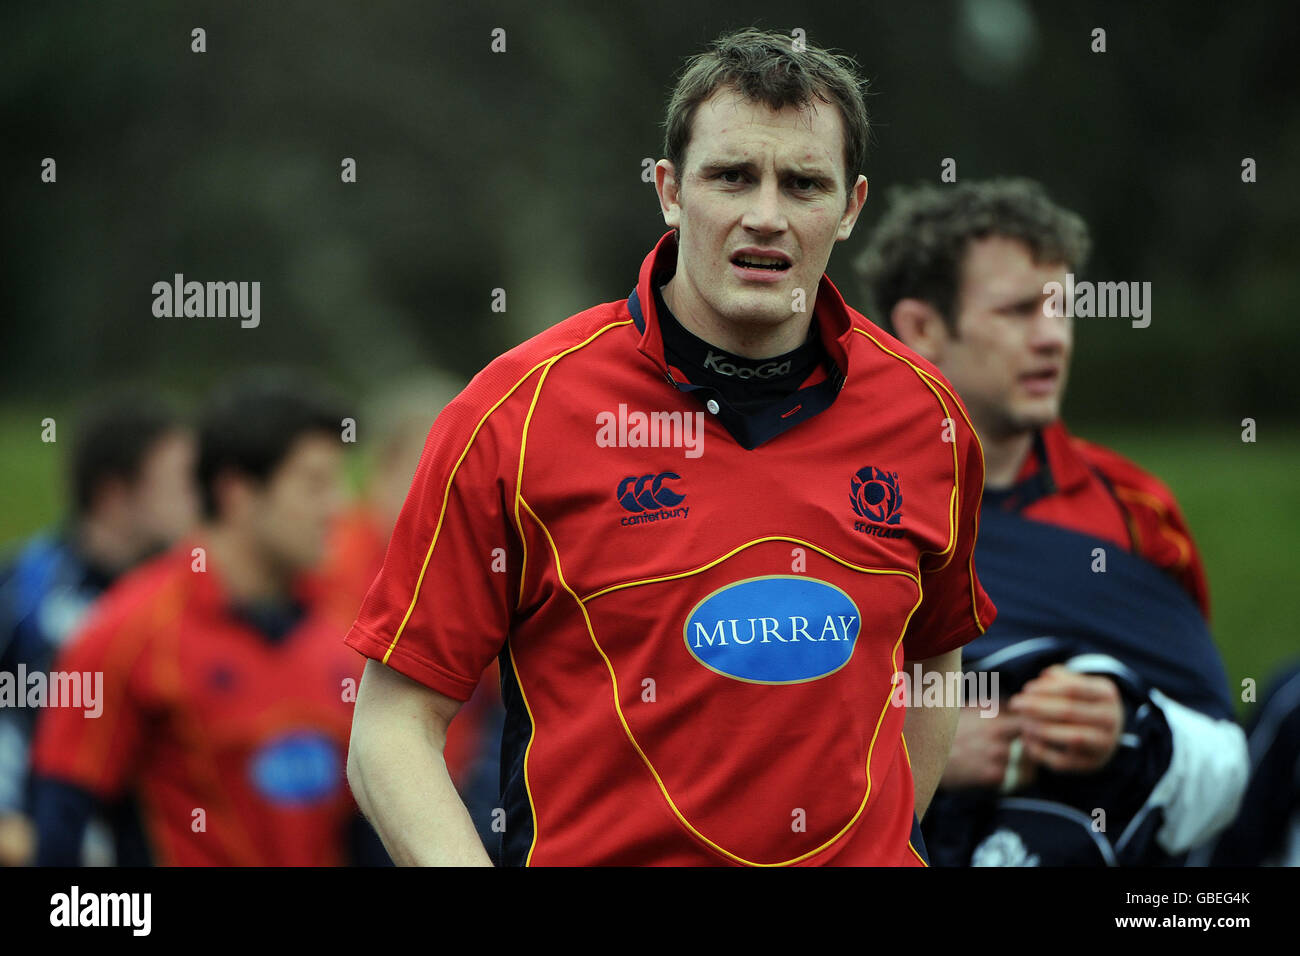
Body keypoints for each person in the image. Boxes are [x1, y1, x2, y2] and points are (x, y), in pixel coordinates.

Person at [345, 28, 996, 867]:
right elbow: (392, 727)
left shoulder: (929, 415)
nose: (766, 215)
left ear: (852, 206)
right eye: (731, 176)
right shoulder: (516, 413)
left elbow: (935, 663)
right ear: (669, 191)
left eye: (804, 184)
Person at [855, 178, 1247, 865]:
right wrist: (921, 749)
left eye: (1061, 310)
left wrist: (1136, 732)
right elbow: (764, 741)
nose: (1052, 340)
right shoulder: (835, 504)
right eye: (1017, 312)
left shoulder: (1136, 511)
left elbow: (1226, 764)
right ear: (921, 329)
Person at [30, 373, 386, 865]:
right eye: (315, 484)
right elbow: (61, 829)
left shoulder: (351, 630)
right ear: (236, 492)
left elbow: (368, 832)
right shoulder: (126, 631)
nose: (338, 506)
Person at [0, 393, 197, 866]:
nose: (200, 500)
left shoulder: (191, 594)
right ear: (114, 494)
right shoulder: (23, 592)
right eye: (182, 483)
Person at [313, 374, 504, 855]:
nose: (449, 485)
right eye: (429, 469)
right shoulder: (330, 557)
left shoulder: (466, 554)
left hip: (452, 788)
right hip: (347, 797)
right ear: (383, 470)